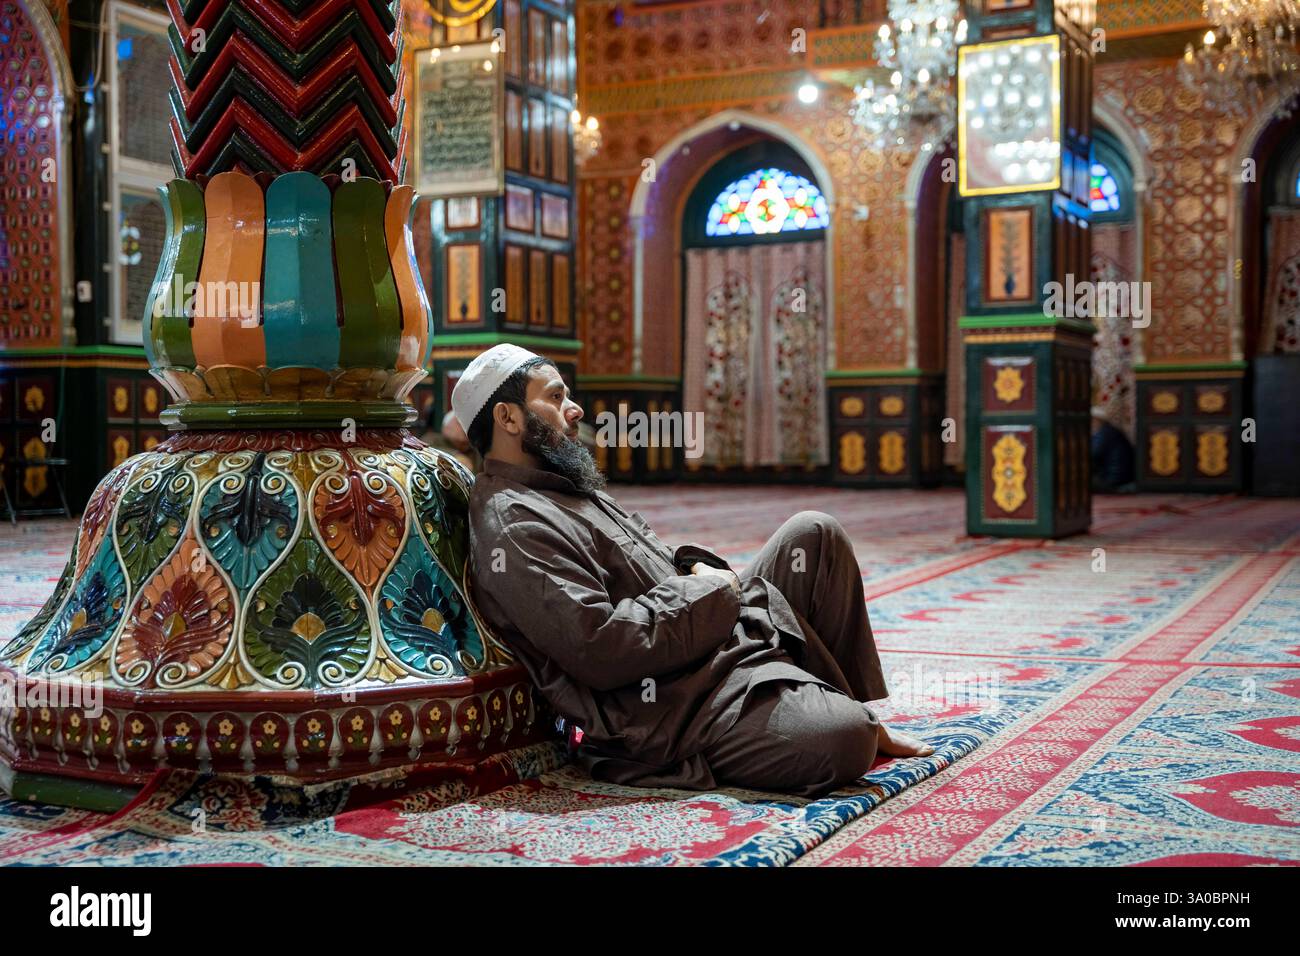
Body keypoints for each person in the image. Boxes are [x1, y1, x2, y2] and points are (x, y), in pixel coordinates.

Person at [453, 344, 933, 798]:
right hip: (674, 703)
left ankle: (833, 703)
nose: (575, 409)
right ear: (507, 417)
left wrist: (698, 572)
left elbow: (656, 560)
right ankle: (835, 714)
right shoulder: (514, 525)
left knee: (815, 534)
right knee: (842, 739)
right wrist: (711, 591)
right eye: (556, 397)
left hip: (711, 637)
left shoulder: (566, 485)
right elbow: (601, 647)